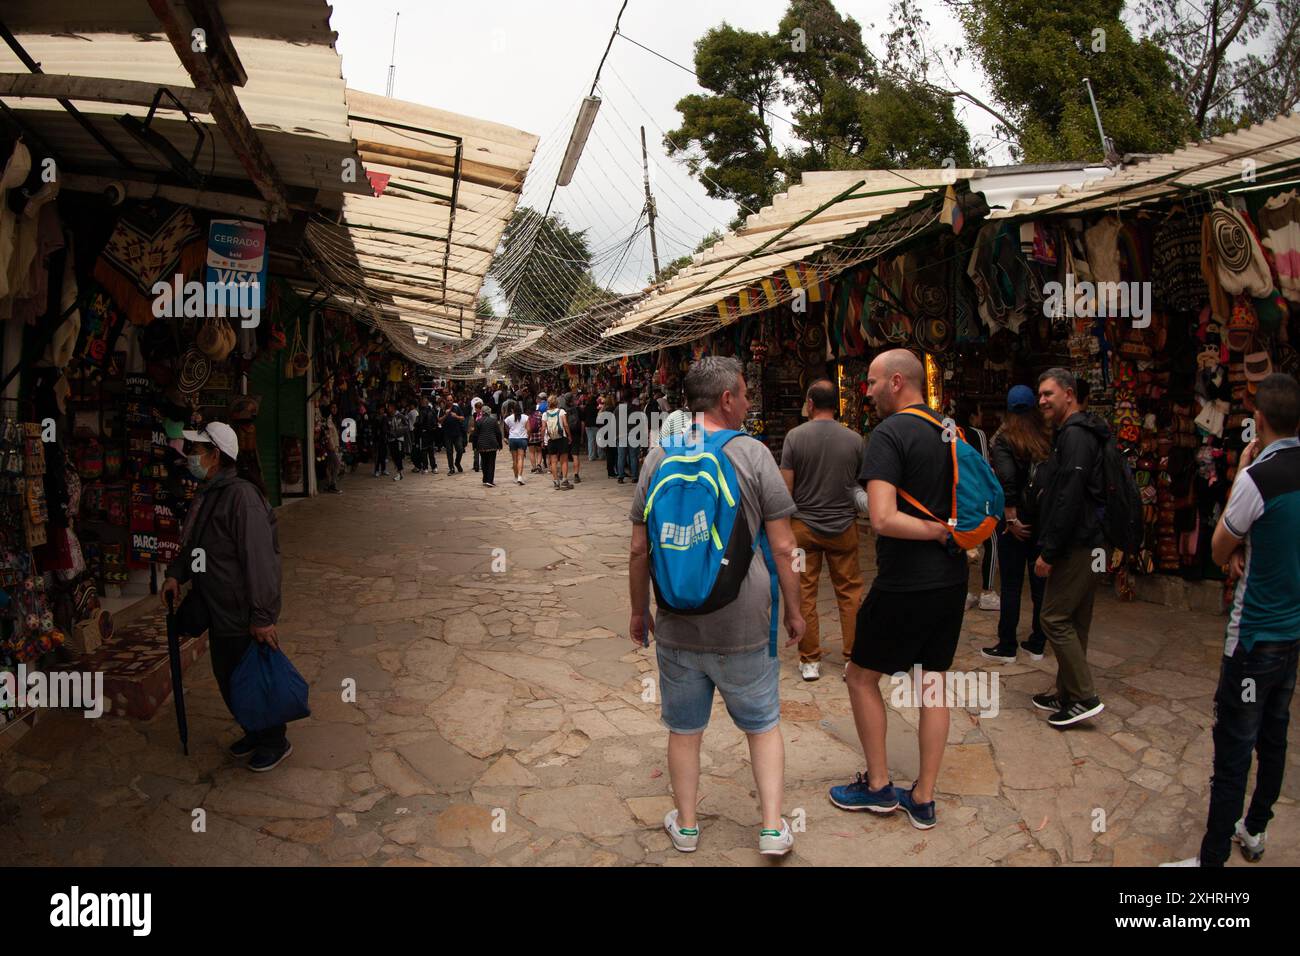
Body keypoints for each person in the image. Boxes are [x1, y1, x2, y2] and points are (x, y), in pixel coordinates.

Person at [628, 356, 804, 856]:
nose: (748, 402)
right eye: (746, 394)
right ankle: (771, 828)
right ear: (727, 399)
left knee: (685, 730)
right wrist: (794, 611)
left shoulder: (658, 455)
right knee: (763, 725)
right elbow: (786, 547)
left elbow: (640, 549)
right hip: (745, 622)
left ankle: (685, 825)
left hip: (677, 624)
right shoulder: (753, 455)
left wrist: (640, 613)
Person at [1165, 373, 1300, 867]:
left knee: (1234, 750)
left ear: (1258, 421)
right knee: (1275, 734)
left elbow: (1220, 550)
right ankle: (1256, 827)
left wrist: (1242, 480)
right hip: (1290, 636)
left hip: (1253, 639)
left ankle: (1212, 861)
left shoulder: (1258, 478)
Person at [829, 349, 966, 830]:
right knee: (934, 682)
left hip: (906, 581)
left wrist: (930, 531)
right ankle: (923, 797)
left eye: (870, 383)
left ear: (896, 382)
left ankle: (879, 786)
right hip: (952, 579)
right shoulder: (950, 429)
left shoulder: (889, 434)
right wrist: (945, 532)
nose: (864, 392)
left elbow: (883, 518)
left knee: (860, 676)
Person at [160, 422, 288, 773]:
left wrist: (262, 615)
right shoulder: (210, 492)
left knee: (252, 680)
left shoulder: (242, 498)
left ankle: (274, 739)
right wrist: (176, 574)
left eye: (196, 451)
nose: (190, 457)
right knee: (230, 679)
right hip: (218, 609)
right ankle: (254, 730)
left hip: (241, 611)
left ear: (216, 455)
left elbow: (260, 560)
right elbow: (195, 543)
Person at [1033, 367, 1109, 728]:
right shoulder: (1078, 432)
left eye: (1049, 394)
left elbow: (1069, 496)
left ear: (1069, 393)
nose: (1042, 400)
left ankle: (1083, 696)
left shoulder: (1076, 435)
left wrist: (1049, 551)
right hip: (1090, 542)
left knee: (1053, 617)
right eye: (1040, 395)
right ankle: (1066, 690)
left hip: (1078, 544)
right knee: (1075, 619)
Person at [779, 378, 865, 682]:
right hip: (844, 529)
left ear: (810, 404)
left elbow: (785, 489)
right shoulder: (855, 440)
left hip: (803, 530)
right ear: (837, 405)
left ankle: (810, 659)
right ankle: (853, 659)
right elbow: (859, 483)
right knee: (850, 592)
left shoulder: (794, 437)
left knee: (804, 592)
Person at [981, 385, 1051, 663]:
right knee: (1039, 584)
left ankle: (1007, 644)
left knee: (1011, 584)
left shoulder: (1005, 439)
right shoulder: (1046, 437)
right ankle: (1037, 641)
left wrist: (1010, 517)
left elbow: (1007, 478)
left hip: (1015, 521)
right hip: (1041, 519)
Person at [956, 400, 999, 612]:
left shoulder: (949, 433)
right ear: (974, 414)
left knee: (959, 541)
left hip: (955, 496)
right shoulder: (978, 435)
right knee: (991, 539)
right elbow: (982, 465)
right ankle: (988, 592)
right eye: (980, 410)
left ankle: (961, 593)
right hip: (975, 496)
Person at [471, 400, 504, 488]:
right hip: (492, 444)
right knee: (491, 463)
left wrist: (474, 446)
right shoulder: (493, 421)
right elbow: (498, 433)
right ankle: (490, 480)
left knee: (484, 462)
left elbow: (475, 435)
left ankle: (485, 479)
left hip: (481, 445)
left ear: (482, 412)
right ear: (489, 412)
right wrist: (500, 444)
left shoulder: (478, 421)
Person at [543, 398, 573, 491]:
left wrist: (542, 440)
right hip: (562, 438)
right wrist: (569, 436)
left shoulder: (545, 414)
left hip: (551, 439)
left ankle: (556, 482)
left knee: (553, 462)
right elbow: (566, 425)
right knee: (564, 460)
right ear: (557, 403)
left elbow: (543, 428)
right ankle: (564, 480)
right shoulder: (561, 411)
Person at [503, 400, 529, 485]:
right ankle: (520, 477)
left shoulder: (508, 418)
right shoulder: (525, 417)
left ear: (512, 410)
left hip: (512, 439)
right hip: (522, 439)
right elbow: (528, 429)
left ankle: (515, 477)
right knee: (520, 458)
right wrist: (528, 436)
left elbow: (506, 429)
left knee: (514, 459)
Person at [440, 396, 466, 474]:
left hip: (457, 433)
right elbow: (439, 420)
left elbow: (463, 418)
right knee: (449, 451)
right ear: (446, 401)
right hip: (447, 434)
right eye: (448, 400)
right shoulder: (443, 409)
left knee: (460, 450)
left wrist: (456, 416)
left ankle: (457, 463)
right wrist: (445, 415)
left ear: (453, 400)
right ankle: (451, 468)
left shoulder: (456, 408)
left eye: (451, 400)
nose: (449, 401)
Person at [320, 406, 343, 495]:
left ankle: (329, 485)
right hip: (330, 448)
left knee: (330, 466)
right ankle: (332, 485)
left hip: (331, 447)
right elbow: (329, 436)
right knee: (337, 464)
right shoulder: (327, 422)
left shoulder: (330, 421)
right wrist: (334, 447)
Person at [387, 401, 410, 481]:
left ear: (393, 407)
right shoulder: (388, 417)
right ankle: (398, 471)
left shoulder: (400, 416)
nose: (388, 408)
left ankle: (399, 473)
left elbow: (406, 427)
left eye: (389, 406)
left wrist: (398, 433)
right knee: (393, 456)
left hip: (399, 439)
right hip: (391, 439)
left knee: (398, 456)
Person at [369, 405, 389, 478]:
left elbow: (387, 428)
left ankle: (383, 469)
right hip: (377, 439)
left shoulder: (385, 418)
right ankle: (376, 470)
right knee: (377, 456)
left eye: (383, 409)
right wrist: (372, 439)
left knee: (383, 455)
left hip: (383, 439)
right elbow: (373, 429)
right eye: (381, 409)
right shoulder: (375, 418)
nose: (382, 411)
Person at [527, 401, 545, 474]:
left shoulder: (528, 416)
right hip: (538, 436)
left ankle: (533, 467)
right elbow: (542, 425)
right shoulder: (540, 414)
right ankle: (539, 465)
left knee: (531, 452)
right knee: (539, 451)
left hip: (530, 436)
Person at [583, 389, 602, 460]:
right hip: (596, 425)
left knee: (590, 441)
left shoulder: (586, 407)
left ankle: (591, 456)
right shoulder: (597, 408)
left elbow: (584, 417)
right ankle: (600, 455)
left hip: (588, 425)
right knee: (598, 441)